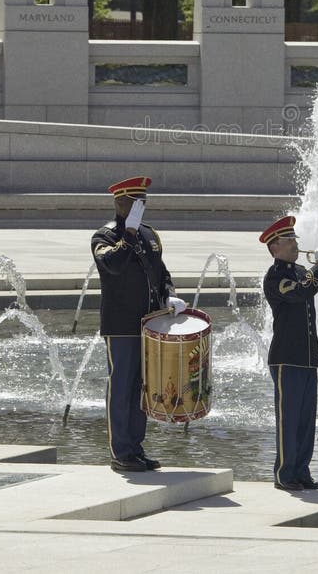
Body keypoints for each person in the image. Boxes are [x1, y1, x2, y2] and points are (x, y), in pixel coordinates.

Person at [91, 175, 186, 473]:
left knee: (140, 388)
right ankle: (120, 451)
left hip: (148, 324)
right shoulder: (104, 237)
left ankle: (136, 447)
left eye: (143, 203)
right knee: (120, 387)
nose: (141, 207)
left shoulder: (150, 235)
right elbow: (113, 266)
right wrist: (128, 233)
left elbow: (161, 273)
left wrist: (170, 295)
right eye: (136, 203)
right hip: (120, 325)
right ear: (120, 203)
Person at [261, 215, 318, 492]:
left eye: (294, 240)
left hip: (307, 355)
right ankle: (284, 473)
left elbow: (307, 287)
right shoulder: (276, 276)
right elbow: (300, 294)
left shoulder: (301, 271)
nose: (294, 244)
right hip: (285, 357)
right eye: (288, 241)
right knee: (288, 419)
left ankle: (302, 471)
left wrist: (314, 269)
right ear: (274, 247)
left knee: (305, 419)